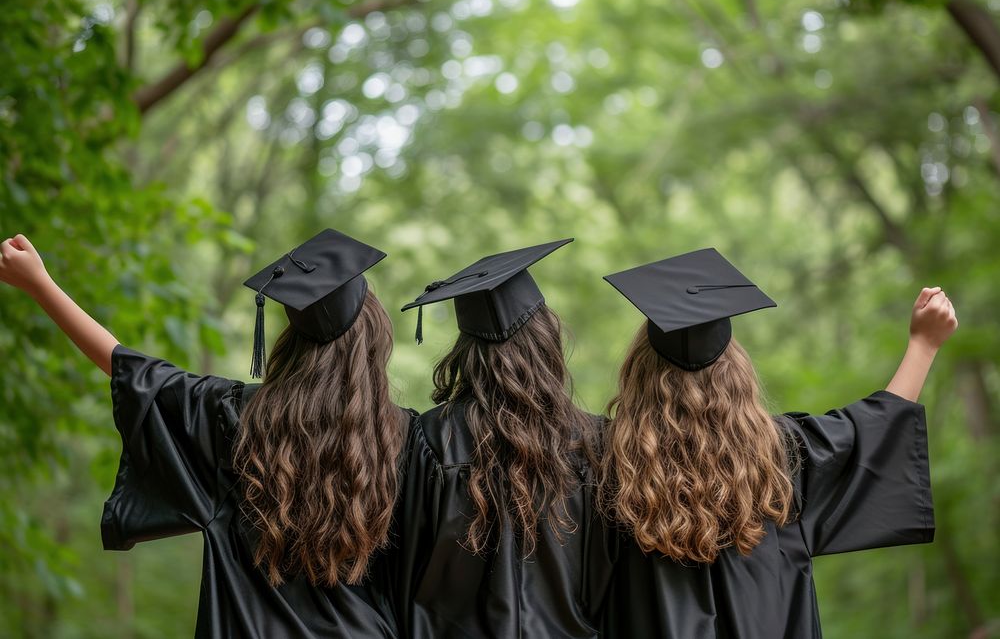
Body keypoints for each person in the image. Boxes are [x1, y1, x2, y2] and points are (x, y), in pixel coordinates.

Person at [0, 229, 411, 638]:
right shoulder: (406, 439)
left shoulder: (236, 419)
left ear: (291, 340)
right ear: (373, 341)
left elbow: (133, 371)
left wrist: (40, 284)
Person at [598, 247, 954, 639]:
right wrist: (923, 345)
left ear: (637, 369)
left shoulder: (604, 466)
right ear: (737, 373)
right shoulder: (781, 459)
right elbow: (873, 431)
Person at [394, 239, 613, 638]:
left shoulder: (425, 439)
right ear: (547, 338)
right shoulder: (597, 442)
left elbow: (405, 575)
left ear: (465, 349)